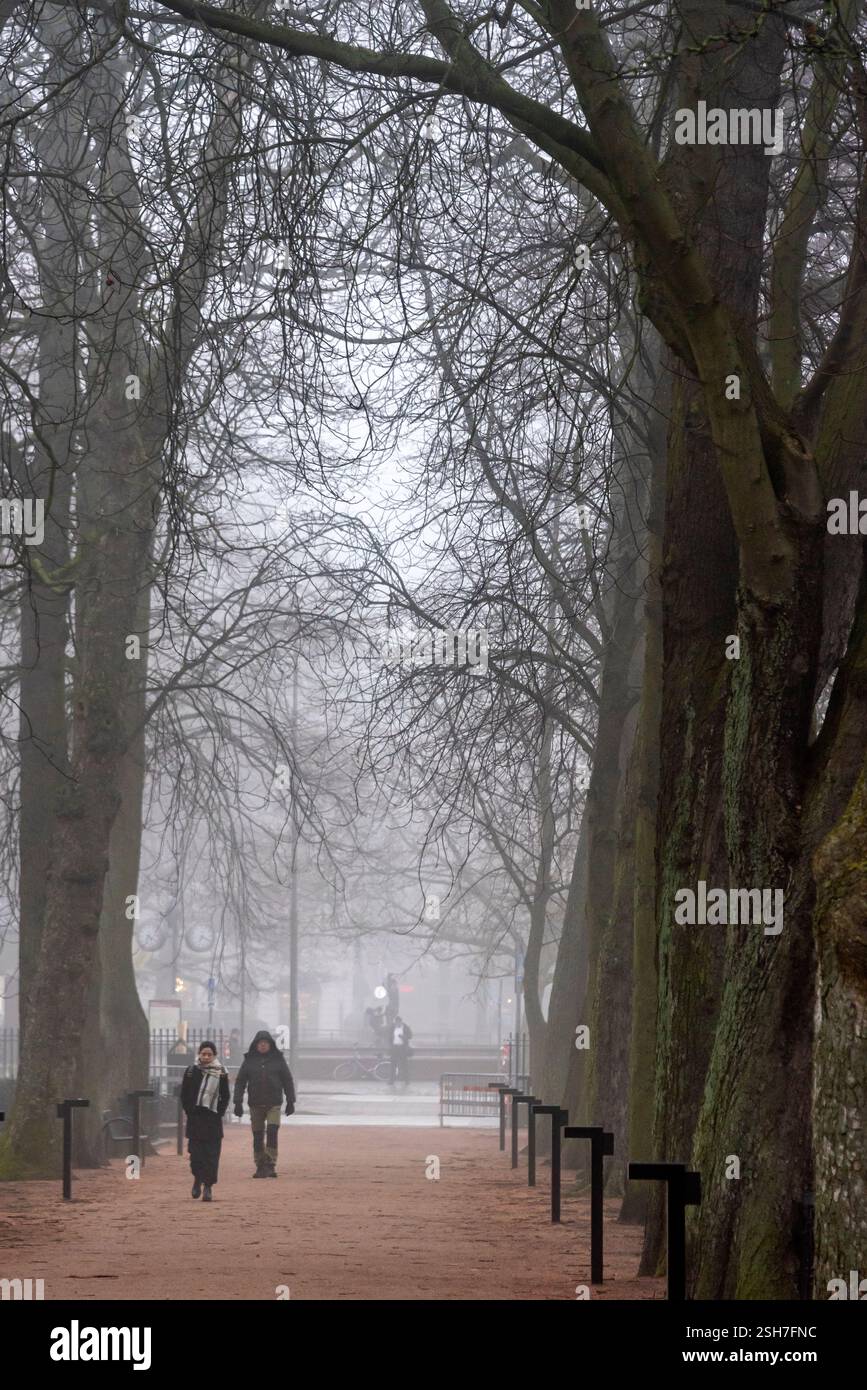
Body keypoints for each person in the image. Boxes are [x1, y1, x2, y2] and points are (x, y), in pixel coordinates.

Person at [232, 1030, 296, 1178]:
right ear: (255, 1045)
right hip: (255, 1104)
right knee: (258, 1135)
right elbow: (240, 1082)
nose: (262, 1045)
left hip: (274, 1103)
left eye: (265, 1043)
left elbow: (287, 1080)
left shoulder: (278, 1060)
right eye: (260, 1043)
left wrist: (291, 1100)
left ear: (270, 1044)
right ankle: (260, 1165)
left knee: (272, 1131)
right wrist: (237, 1102)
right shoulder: (249, 1061)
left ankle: (270, 1163)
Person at [181, 1041, 230, 1202]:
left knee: (212, 1156)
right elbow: (184, 1094)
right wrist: (190, 1111)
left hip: (212, 1120)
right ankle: (197, 1179)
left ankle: (208, 1187)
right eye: (204, 1054)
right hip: (195, 1120)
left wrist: (219, 1113)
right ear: (199, 1054)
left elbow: (225, 1096)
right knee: (195, 1155)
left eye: (209, 1054)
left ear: (214, 1055)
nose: (206, 1057)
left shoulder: (221, 1072)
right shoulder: (191, 1071)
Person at [389, 1015, 413, 1086]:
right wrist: (390, 1044)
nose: (397, 1023)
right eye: (396, 1022)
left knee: (404, 1065)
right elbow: (389, 1036)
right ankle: (391, 1080)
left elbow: (410, 1036)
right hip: (394, 1048)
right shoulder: (392, 1027)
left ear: (401, 1022)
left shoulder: (405, 1027)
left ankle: (407, 1080)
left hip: (402, 1048)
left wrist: (403, 1037)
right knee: (393, 1065)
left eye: (398, 1022)